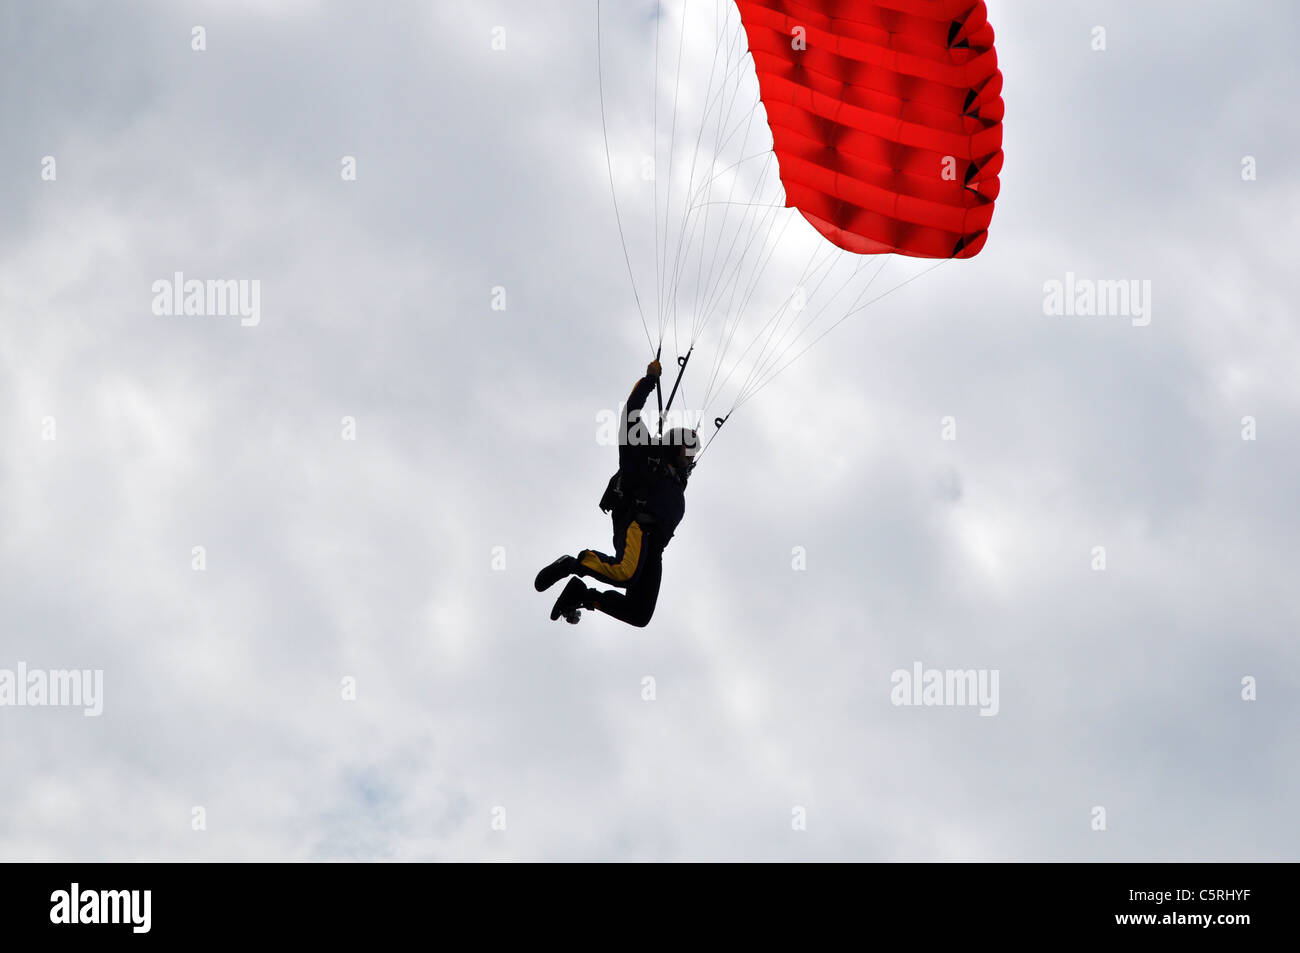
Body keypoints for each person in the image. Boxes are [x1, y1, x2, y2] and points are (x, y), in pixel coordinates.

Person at [535, 360, 698, 627]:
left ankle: (581, 596)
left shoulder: (677, 482)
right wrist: (649, 381)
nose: (691, 456)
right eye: (689, 449)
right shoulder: (643, 457)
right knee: (624, 573)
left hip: (654, 548)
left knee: (639, 613)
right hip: (637, 525)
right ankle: (572, 564)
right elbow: (630, 415)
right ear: (674, 444)